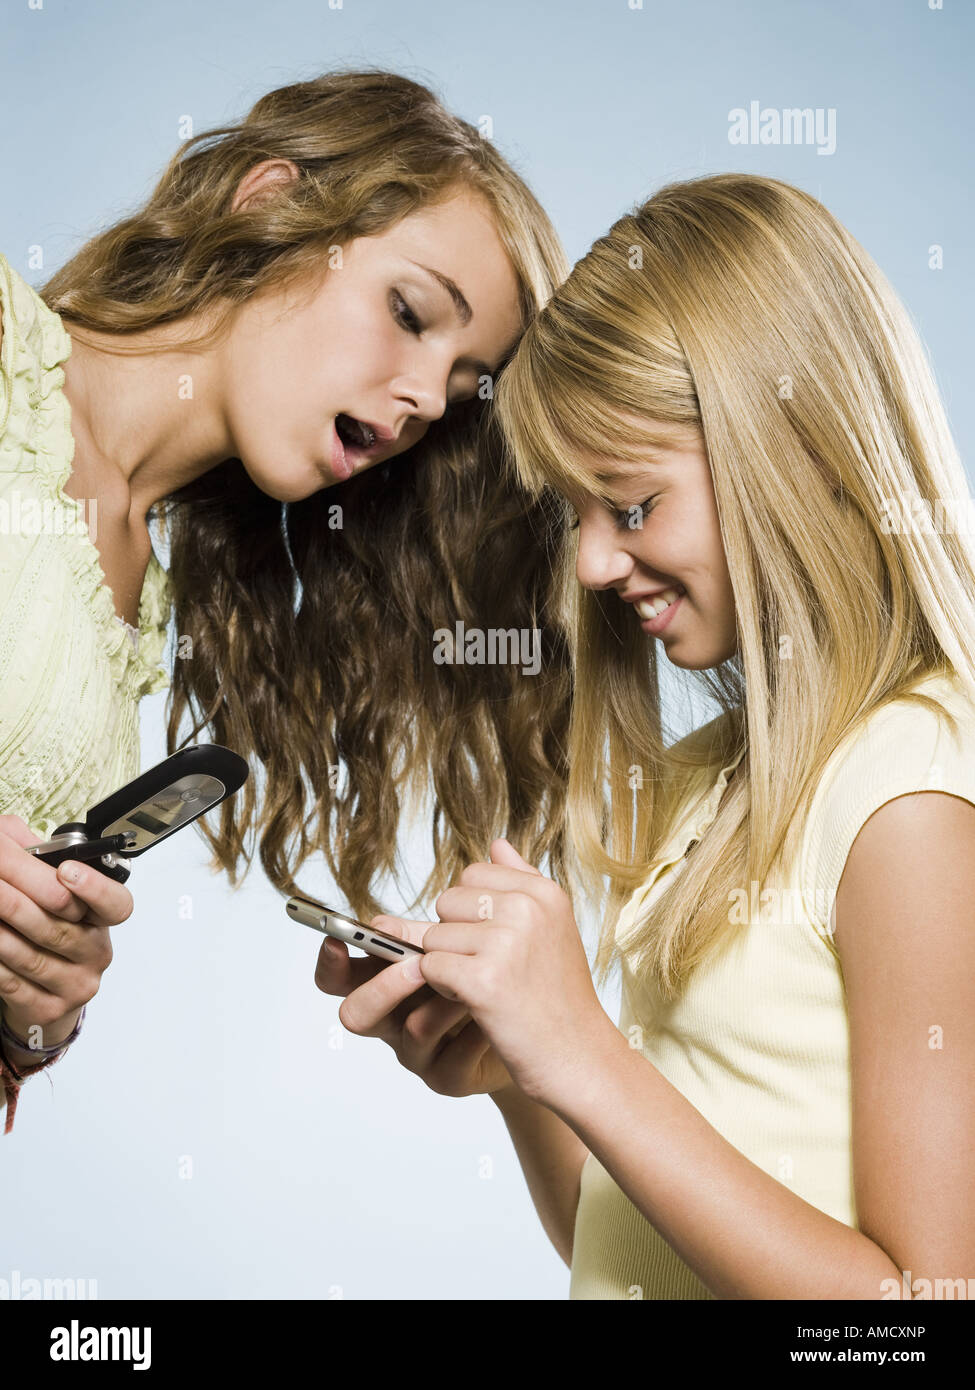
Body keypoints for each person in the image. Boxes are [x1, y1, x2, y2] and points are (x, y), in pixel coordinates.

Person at [317, 173, 975, 1299]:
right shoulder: (713, 788)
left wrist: (584, 1051)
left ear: (799, 455)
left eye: (630, 506)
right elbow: (644, 1259)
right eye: (575, 513)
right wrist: (524, 1076)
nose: (589, 566)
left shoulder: (905, 797)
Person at [0, 67, 573, 1133]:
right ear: (267, 202)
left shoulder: (143, 601)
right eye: (408, 314)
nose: (417, 401)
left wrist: (41, 1014)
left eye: (455, 392)